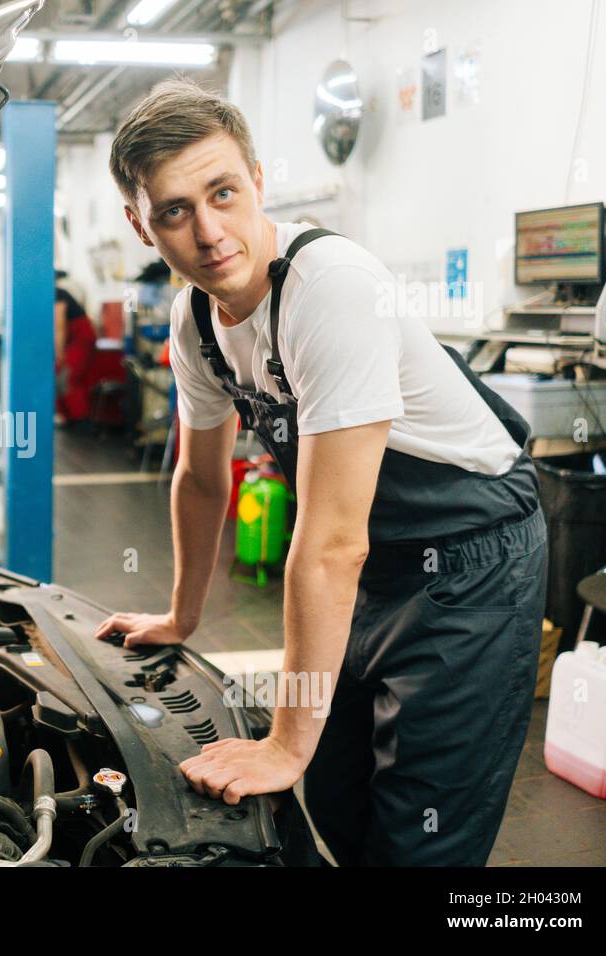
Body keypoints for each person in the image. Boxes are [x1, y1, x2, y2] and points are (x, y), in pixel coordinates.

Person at [93, 78, 546, 866]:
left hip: (471, 565)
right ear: (140, 225)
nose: (210, 232)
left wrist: (282, 745)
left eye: (224, 193)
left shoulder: (330, 290)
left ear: (258, 181)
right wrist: (181, 617)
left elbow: (330, 542)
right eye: (175, 210)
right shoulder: (195, 318)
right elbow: (203, 480)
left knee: (416, 840)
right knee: (337, 803)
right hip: (370, 565)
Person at [55, 275, 96, 423]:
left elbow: (59, 325)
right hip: (70, 339)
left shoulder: (57, 293)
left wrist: (58, 352)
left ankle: (81, 420)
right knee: (61, 373)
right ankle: (68, 417)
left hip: (81, 337)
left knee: (70, 376)